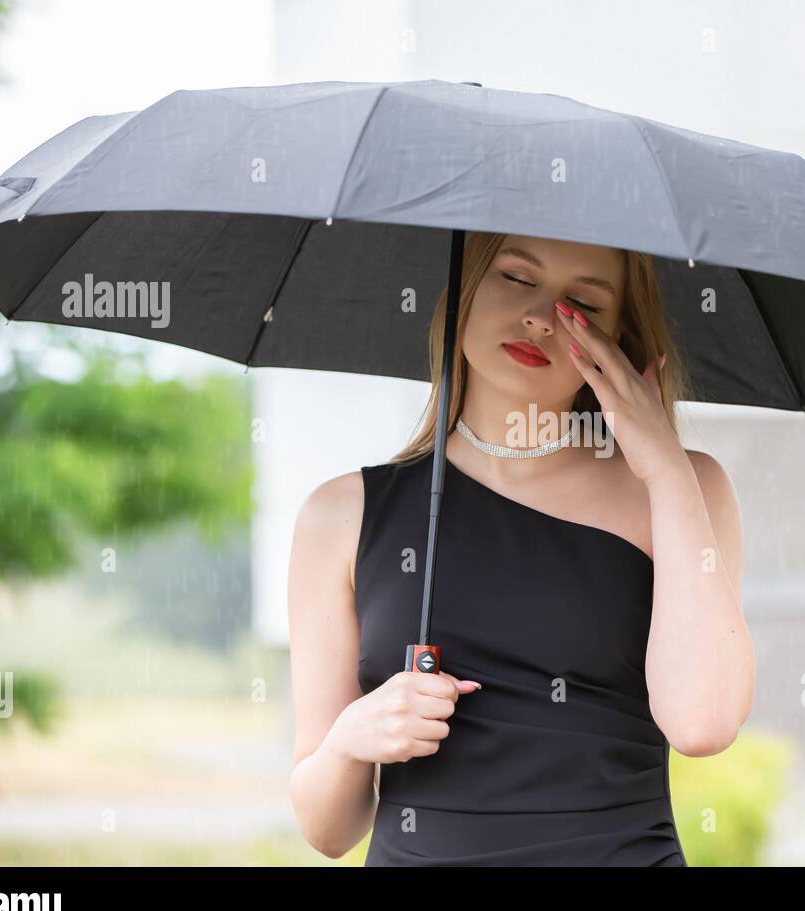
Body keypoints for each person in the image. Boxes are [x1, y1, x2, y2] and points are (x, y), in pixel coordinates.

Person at [287, 231, 754, 866]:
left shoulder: (685, 487)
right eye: (516, 277)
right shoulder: (340, 516)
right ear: (463, 290)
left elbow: (704, 725)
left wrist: (665, 470)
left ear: (618, 337)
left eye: (582, 304)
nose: (540, 317)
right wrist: (350, 740)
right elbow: (327, 831)